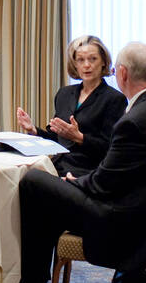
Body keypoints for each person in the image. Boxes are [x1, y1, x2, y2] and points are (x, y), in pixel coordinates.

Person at [4, 41, 146, 283]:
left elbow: (103, 183)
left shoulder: (133, 121)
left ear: (121, 73)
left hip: (120, 225)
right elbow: (117, 174)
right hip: (141, 215)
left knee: (33, 184)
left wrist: (75, 182)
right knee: (47, 193)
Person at [16, 35, 126, 177]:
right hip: (57, 166)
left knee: (31, 181)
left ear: (103, 62)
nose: (87, 65)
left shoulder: (114, 99)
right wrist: (33, 130)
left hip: (87, 173)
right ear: (75, 64)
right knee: (21, 177)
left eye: (93, 59)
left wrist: (79, 137)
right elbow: (57, 140)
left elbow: (110, 149)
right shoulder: (64, 94)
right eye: (81, 60)